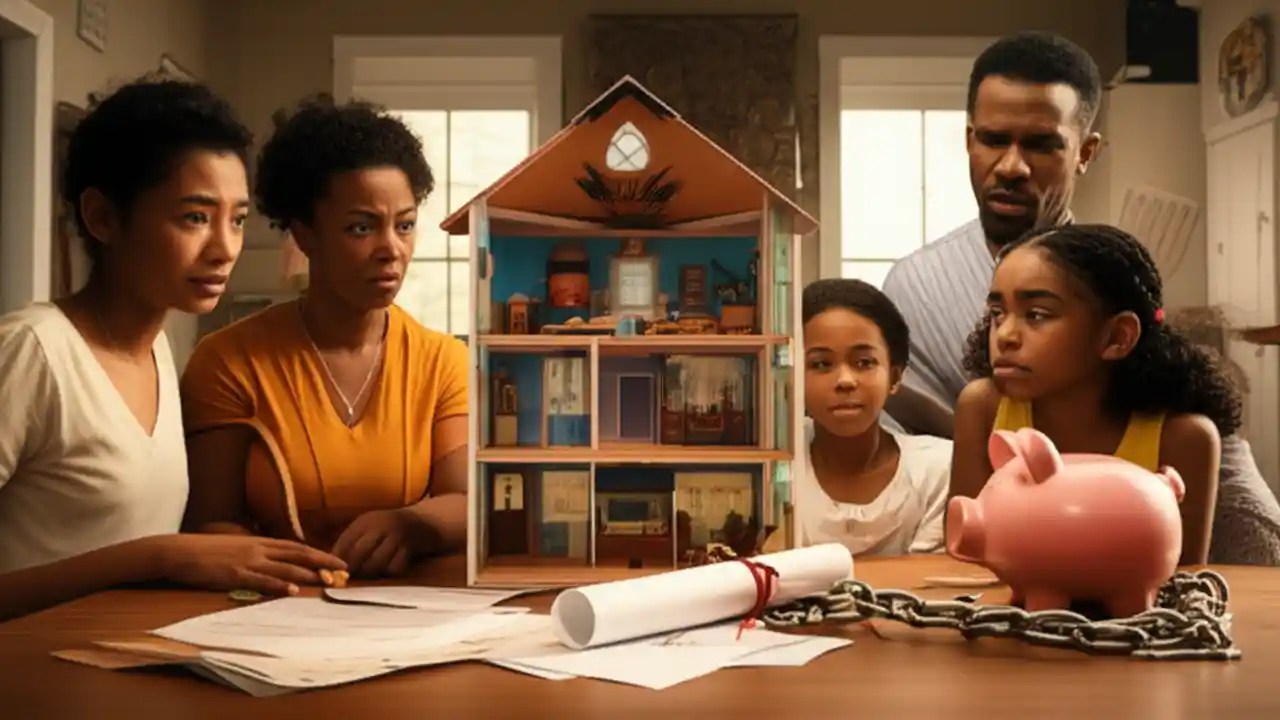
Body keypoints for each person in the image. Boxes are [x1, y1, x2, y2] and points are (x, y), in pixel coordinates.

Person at [881, 31, 1280, 566]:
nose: (1011, 167)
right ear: (970, 139)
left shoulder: (1114, 282)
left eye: (1041, 144)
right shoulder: (915, 285)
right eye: (994, 139)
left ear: (1085, 151)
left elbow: (1204, 463)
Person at [0, 78, 346, 621]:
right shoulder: (31, 351)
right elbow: (141, 554)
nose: (224, 249)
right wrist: (158, 556)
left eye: (235, 220)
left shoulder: (158, 348)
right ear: (103, 218)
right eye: (194, 218)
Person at [181, 95, 468, 579]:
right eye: (361, 227)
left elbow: (466, 498)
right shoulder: (228, 361)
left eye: (404, 226)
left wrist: (413, 524)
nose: (391, 250)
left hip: (409, 603)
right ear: (305, 234)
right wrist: (285, 568)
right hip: (274, 603)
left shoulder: (443, 361)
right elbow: (210, 521)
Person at [953, 224, 1237, 565]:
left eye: (1037, 315)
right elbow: (965, 551)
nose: (1005, 335)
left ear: (1117, 336)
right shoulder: (982, 407)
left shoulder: (1184, 437)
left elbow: (1182, 576)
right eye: (998, 313)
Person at [798, 279, 952, 556]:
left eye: (864, 363)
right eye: (821, 364)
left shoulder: (938, 469)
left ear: (894, 376)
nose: (845, 381)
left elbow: (931, 583)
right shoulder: (774, 468)